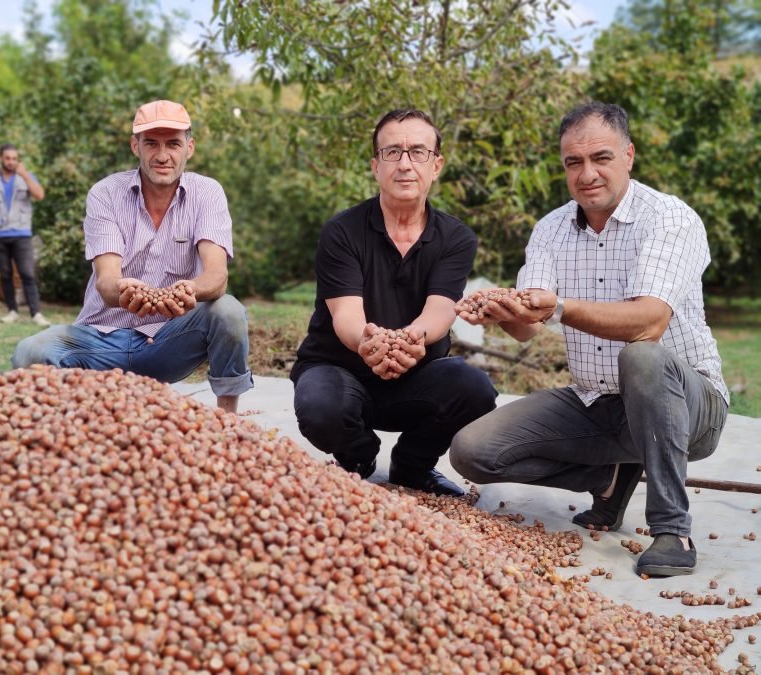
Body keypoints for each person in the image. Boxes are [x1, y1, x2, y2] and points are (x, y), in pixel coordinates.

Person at [450, 102, 729, 576]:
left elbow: (649, 323)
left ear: (629, 155)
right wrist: (504, 314)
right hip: (595, 402)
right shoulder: (550, 230)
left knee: (643, 358)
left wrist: (558, 307)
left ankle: (672, 530)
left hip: (687, 406)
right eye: (573, 163)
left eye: (601, 157)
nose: (587, 174)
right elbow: (527, 326)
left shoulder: (668, 218)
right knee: (472, 452)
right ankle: (608, 478)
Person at [291, 109, 497, 497]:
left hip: (417, 374)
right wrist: (368, 341)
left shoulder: (456, 238)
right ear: (375, 166)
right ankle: (358, 458)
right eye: (392, 153)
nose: (405, 164)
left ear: (436, 165)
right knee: (320, 404)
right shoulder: (342, 231)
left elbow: (440, 309)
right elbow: (346, 314)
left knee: (474, 389)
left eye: (418, 152)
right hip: (343, 368)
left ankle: (413, 466)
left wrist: (409, 342)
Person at [12, 100, 252, 413]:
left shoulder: (207, 193)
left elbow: (216, 276)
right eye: (151, 143)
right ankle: (56, 434)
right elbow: (108, 281)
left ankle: (226, 423)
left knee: (229, 311)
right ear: (134, 146)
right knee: (31, 350)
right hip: (99, 340)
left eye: (173, 144)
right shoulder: (106, 193)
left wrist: (189, 289)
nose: (163, 155)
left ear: (189, 148)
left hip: (167, 342)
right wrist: (128, 290)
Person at [0, 143, 50, 326]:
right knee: (5, 274)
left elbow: (40, 195)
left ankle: (36, 314)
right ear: (1, 158)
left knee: (27, 273)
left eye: (14, 159)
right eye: (8, 158)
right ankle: (12, 311)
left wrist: (24, 174)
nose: (11, 162)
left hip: (21, 233)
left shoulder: (26, 176)